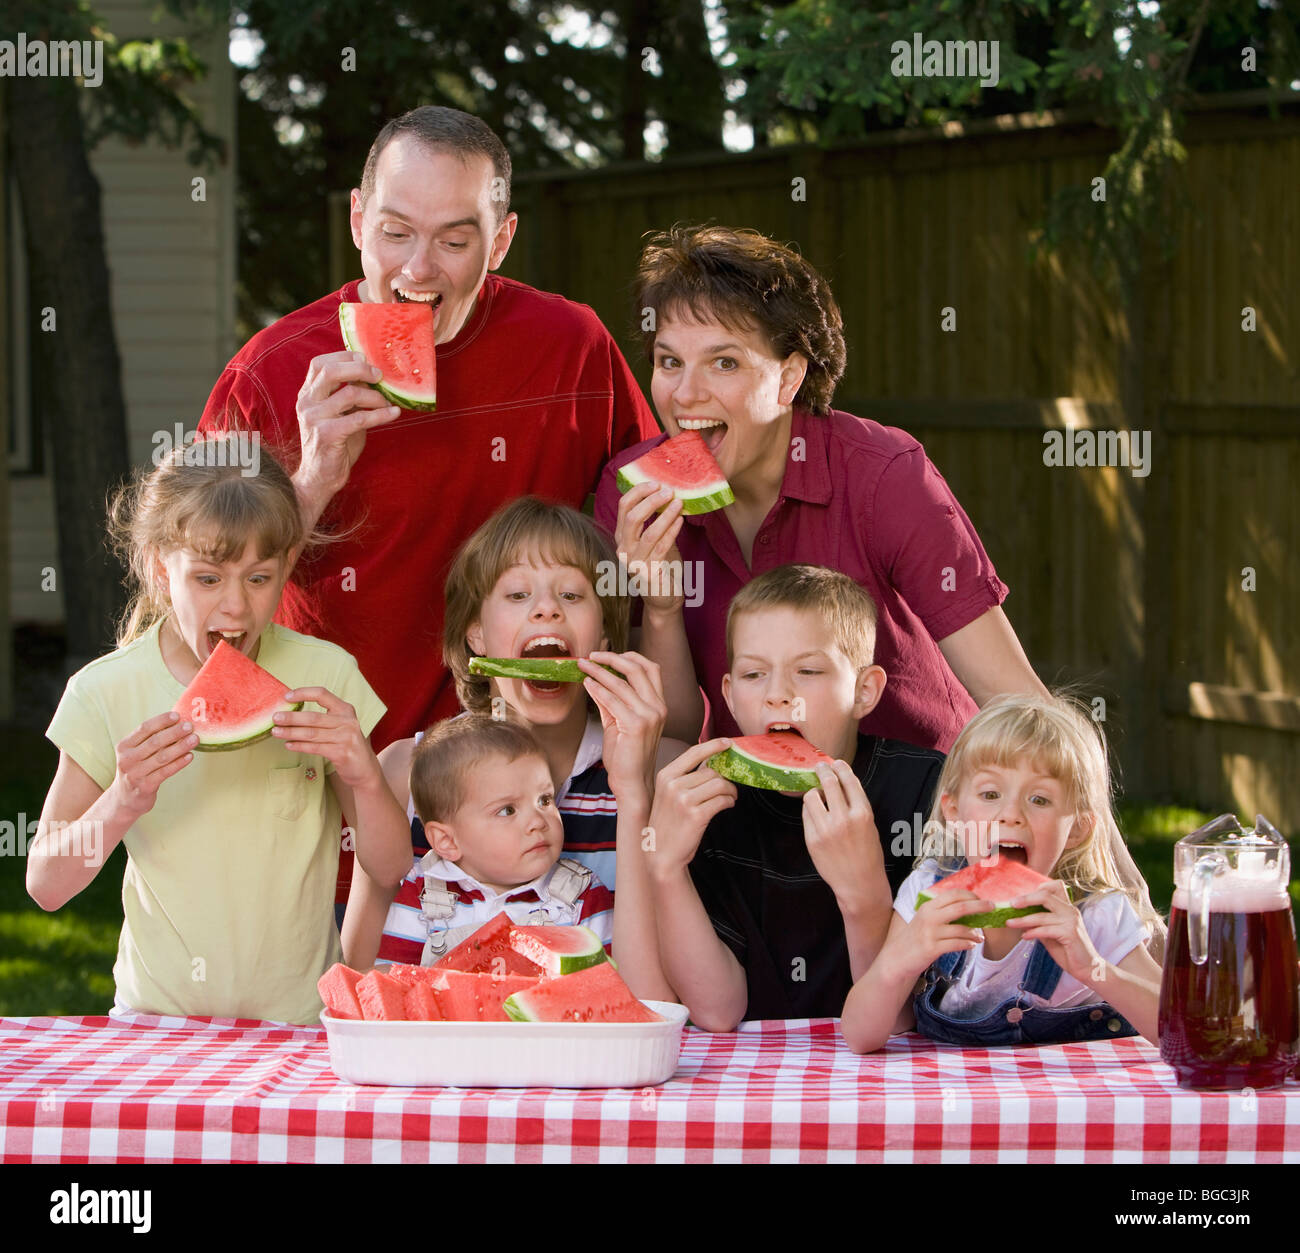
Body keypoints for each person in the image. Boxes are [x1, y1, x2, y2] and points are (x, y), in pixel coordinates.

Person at [199, 106, 657, 754]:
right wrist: (309, 482)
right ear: (358, 219)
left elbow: (653, 521)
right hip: (320, 766)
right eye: (395, 232)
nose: (418, 269)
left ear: (499, 242)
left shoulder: (572, 347)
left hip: (512, 783)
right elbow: (194, 592)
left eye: (454, 240)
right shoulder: (266, 373)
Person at [595, 223, 1047, 752]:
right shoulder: (631, 493)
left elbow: (1014, 699)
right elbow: (666, 739)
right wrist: (662, 608)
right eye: (670, 362)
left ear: (789, 378)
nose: (685, 394)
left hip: (921, 795)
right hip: (752, 809)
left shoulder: (886, 476)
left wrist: (1093, 831)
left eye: (724, 362)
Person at [27, 437, 412, 1025]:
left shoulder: (325, 674)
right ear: (161, 569)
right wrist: (124, 798)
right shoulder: (105, 691)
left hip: (302, 1025)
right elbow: (46, 886)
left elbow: (388, 869)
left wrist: (363, 772)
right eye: (208, 580)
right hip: (155, 1022)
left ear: (285, 568)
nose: (235, 608)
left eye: (258, 579)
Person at [342, 497, 683, 1001]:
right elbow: (362, 972)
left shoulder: (663, 770)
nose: (547, 608)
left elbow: (651, 998)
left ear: (606, 636)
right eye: (518, 594)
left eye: (572, 593)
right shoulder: (403, 771)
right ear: (475, 635)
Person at [645, 564, 945, 1029]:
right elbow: (717, 1012)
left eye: (807, 670)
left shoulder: (928, 792)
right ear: (727, 695)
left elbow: (902, 1020)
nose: (778, 695)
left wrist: (863, 895)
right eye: (753, 674)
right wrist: (666, 868)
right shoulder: (711, 804)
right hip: (755, 1075)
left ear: (865, 691)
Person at [840, 693, 1165, 1053]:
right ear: (954, 811)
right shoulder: (928, 893)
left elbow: (1182, 1031)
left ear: (1077, 828)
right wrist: (903, 957)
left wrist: (1094, 969)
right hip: (956, 1099)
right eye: (991, 793)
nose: (1011, 814)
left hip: (1069, 1100)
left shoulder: (1096, 915)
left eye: (1039, 799)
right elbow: (859, 1036)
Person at [366, 713, 616, 963]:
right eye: (507, 810)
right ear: (446, 841)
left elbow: (604, 989)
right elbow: (393, 982)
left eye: (545, 800)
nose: (538, 821)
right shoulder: (421, 896)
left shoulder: (582, 896)